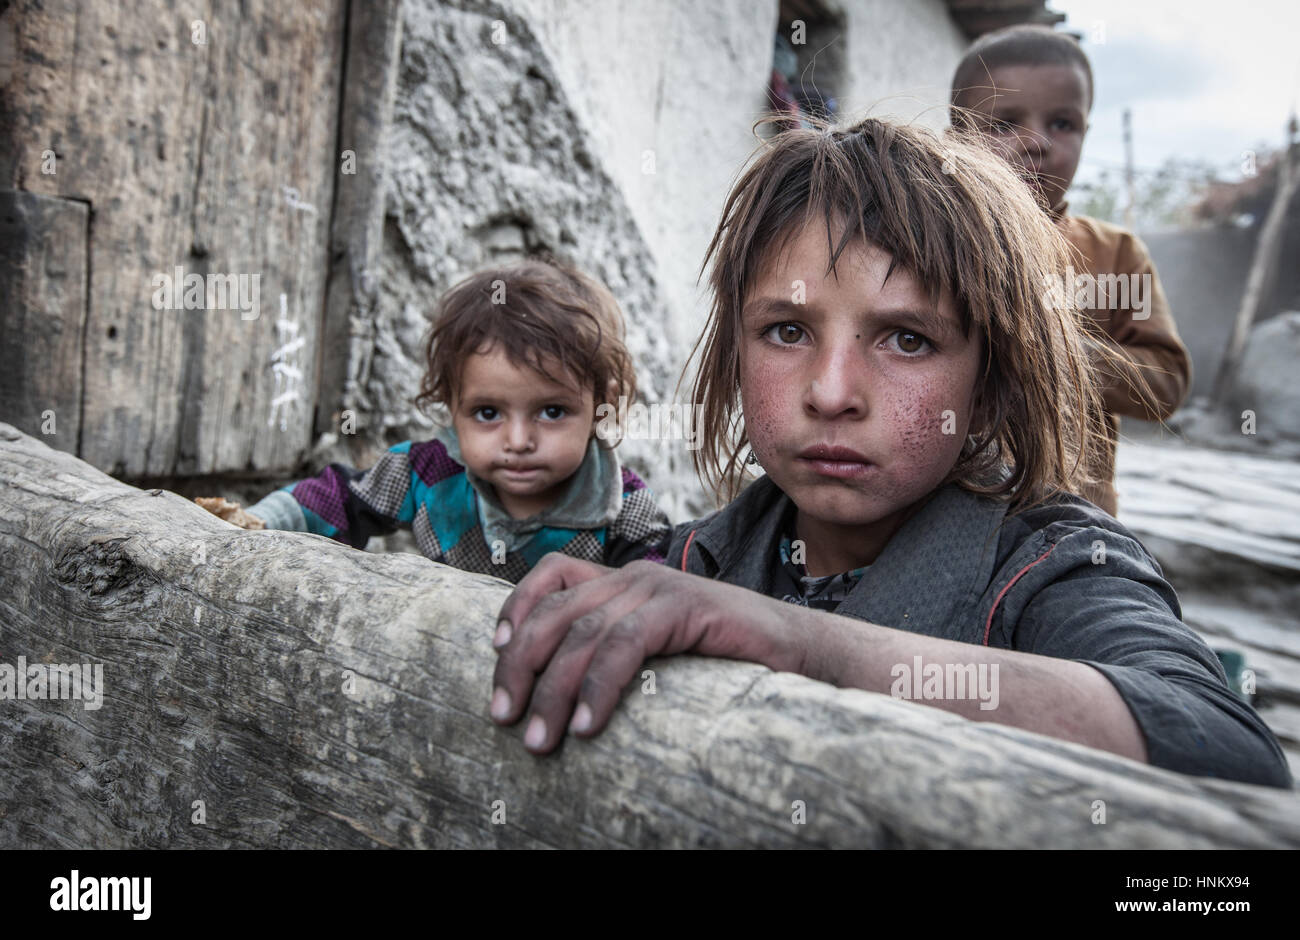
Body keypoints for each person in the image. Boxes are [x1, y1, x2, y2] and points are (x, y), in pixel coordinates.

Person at [485, 119, 1292, 789]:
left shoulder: (1053, 568)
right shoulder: (697, 556)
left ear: (990, 382)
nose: (832, 392)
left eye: (907, 339)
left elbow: (1228, 753)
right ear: (734, 353)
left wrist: (805, 643)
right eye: (788, 331)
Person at [196, 259, 673, 583]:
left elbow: (653, 594)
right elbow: (337, 500)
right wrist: (253, 524)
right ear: (452, 407)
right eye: (488, 413)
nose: (518, 440)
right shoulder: (429, 474)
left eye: (552, 412)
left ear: (601, 406)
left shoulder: (624, 511)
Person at [950, 24, 1192, 515]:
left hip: (1072, 516)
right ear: (954, 137)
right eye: (1003, 124)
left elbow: (1166, 385)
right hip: (939, 505)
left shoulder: (1115, 255)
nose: (1036, 142)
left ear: (1086, 132)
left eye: (1062, 123)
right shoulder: (924, 241)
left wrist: (1062, 351)